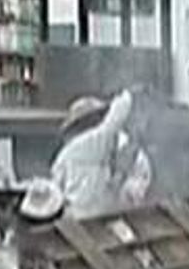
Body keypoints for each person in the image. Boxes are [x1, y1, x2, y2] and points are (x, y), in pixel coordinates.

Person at [49, 89, 141, 219]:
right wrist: (129, 94)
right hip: (91, 219)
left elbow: (55, 192)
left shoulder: (65, 155)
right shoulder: (90, 144)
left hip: (75, 220)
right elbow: (115, 120)